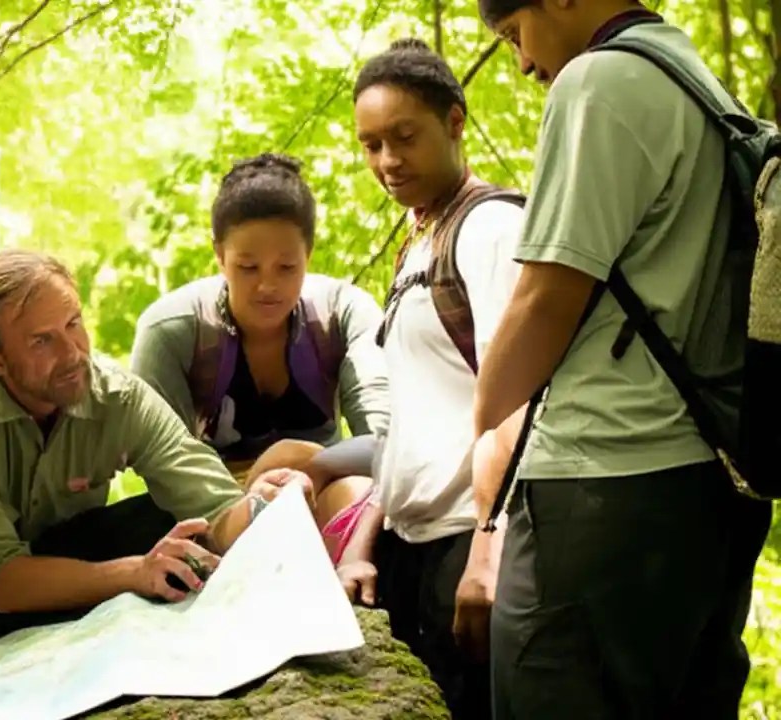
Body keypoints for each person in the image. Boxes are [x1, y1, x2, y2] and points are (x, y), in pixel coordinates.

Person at [473, 1, 772, 718]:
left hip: (602, 482)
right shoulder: (698, 83)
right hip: (714, 484)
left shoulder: (599, 81)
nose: (521, 63)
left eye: (517, 33)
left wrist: (483, 416)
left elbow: (546, 297)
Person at [0, 248, 313, 650]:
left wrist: (263, 506)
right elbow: (1, 580)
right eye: (41, 341)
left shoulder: (116, 396)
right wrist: (133, 573)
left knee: (170, 523)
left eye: (73, 324)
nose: (72, 353)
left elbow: (215, 509)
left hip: (74, 564)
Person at [330, 38, 527, 720]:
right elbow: (411, 424)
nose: (387, 161)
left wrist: (487, 553)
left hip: (468, 544)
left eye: (404, 137)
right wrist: (361, 541)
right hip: (411, 548)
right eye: (371, 144)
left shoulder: (491, 229)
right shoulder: (418, 241)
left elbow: (519, 402)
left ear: (454, 121)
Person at [131, 152, 390, 565]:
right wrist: (251, 493)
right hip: (212, 513)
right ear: (219, 254)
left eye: (287, 267)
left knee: (365, 497)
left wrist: (301, 463)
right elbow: (165, 463)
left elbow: (385, 443)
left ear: (309, 252)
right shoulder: (171, 330)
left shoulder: (344, 314)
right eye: (248, 267)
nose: (267, 286)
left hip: (319, 489)